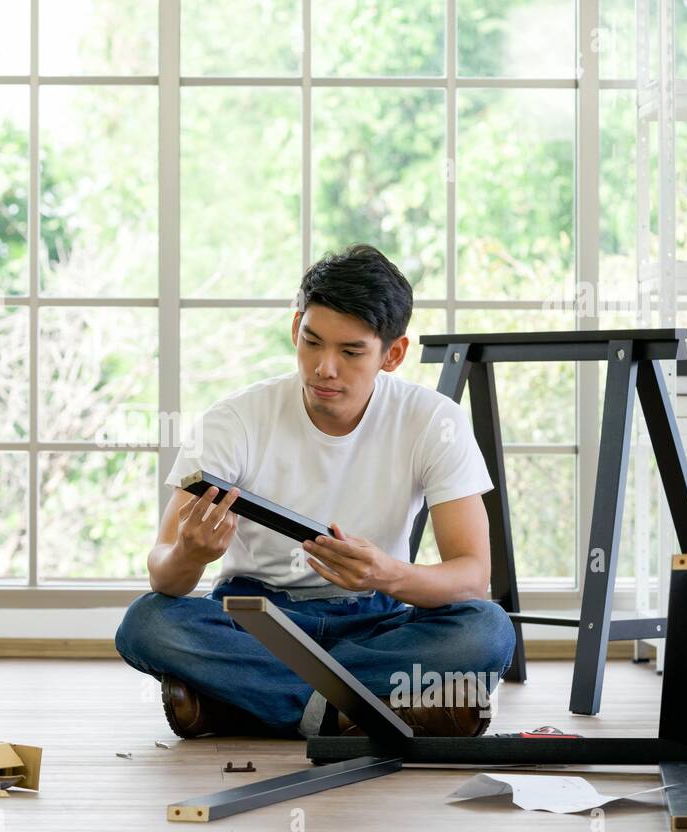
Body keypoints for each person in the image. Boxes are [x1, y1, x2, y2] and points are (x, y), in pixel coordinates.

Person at [115, 244, 517, 739]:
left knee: (487, 631)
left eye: (351, 352)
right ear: (295, 329)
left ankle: (246, 702)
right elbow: (164, 574)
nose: (325, 368)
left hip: (375, 621)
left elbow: (473, 577)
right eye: (312, 342)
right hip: (254, 621)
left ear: (393, 354)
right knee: (147, 624)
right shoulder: (233, 420)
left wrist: (386, 573)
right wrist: (189, 556)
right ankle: (365, 710)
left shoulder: (434, 422)